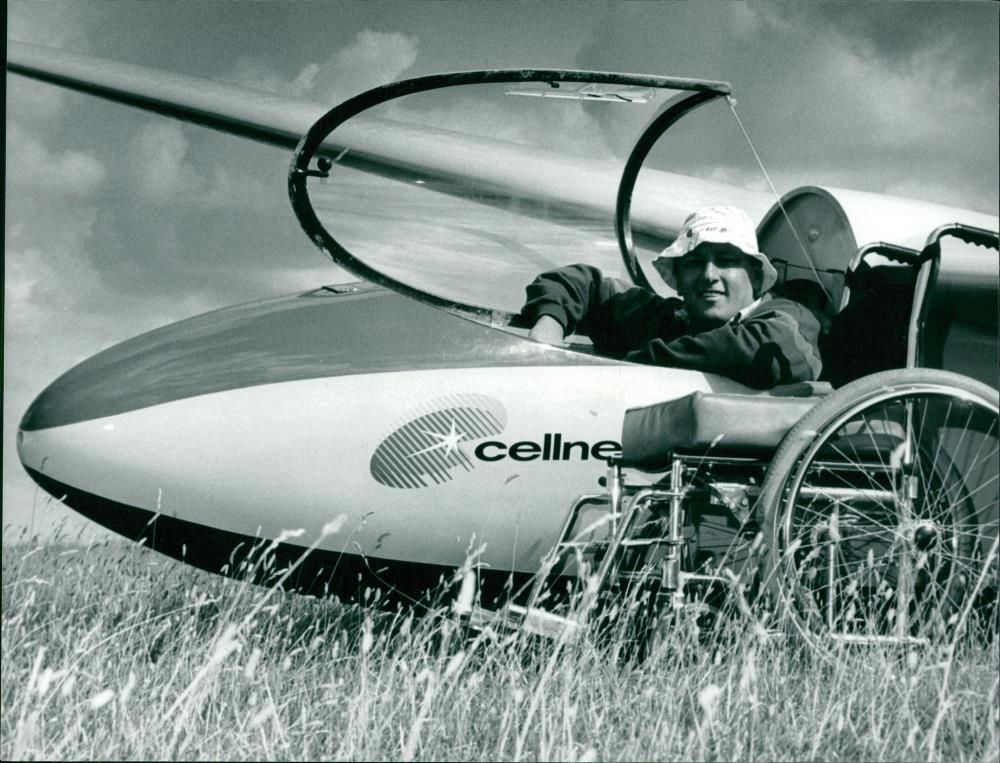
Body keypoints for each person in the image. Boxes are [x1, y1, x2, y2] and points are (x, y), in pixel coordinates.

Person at [519, 205, 822, 389]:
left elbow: (759, 353)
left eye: (727, 260)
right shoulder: (668, 318)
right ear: (677, 280)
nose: (708, 274)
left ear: (756, 276)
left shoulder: (788, 318)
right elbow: (583, 282)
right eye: (693, 262)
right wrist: (548, 330)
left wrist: (627, 368)